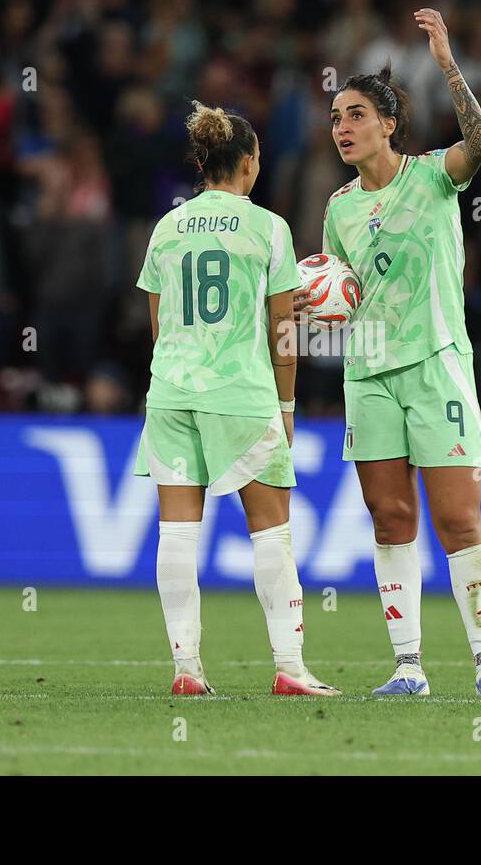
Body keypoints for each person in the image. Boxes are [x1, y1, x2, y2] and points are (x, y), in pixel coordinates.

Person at [303, 8, 481, 697]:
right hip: (368, 374)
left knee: (458, 520)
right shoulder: (337, 208)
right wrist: (317, 302)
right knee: (391, 518)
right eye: (337, 116)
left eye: (357, 114)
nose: (343, 127)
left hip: (436, 366)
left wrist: (449, 64)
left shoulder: (433, 175)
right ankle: (408, 667)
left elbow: (480, 142)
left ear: (389, 124)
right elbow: (345, 289)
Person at [134, 101, 338, 696]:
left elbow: (158, 321)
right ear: (250, 163)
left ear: (201, 162)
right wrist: (288, 408)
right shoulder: (269, 228)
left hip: (171, 392)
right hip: (240, 394)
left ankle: (187, 669)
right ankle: (290, 668)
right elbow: (284, 335)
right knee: (271, 532)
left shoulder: (167, 227)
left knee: (176, 533)